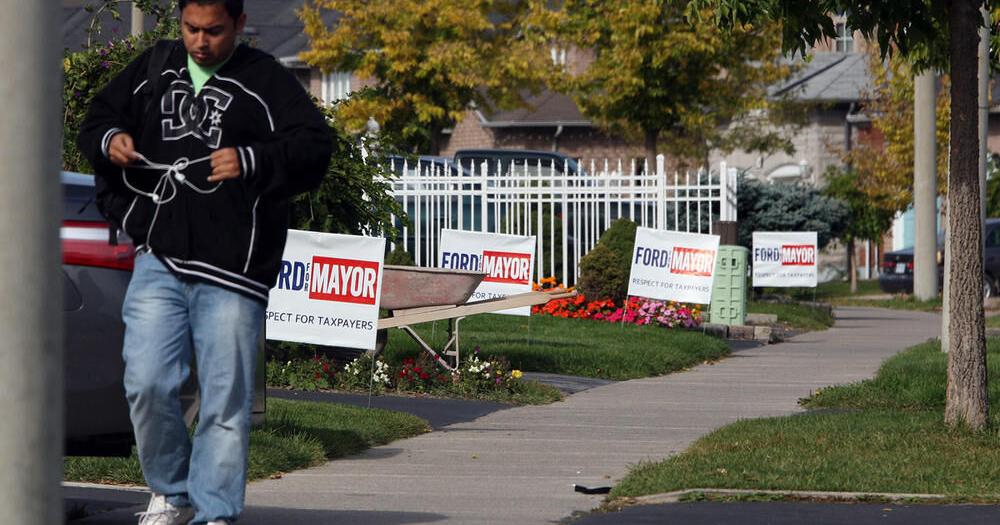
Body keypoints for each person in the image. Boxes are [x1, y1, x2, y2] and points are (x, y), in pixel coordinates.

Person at [77, 0, 332, 523]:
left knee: (225, 397)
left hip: (234, 267)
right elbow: (97, 119)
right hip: (159, 256)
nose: (200, 41)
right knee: (145, 381)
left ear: (238, 25)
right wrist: (112, 141)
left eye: (213, 31)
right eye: (191, 28)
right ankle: (171, 492)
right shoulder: (155, 66)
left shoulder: (264, 81)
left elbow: (313, 145)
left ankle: (216, 510)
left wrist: (251, 159)